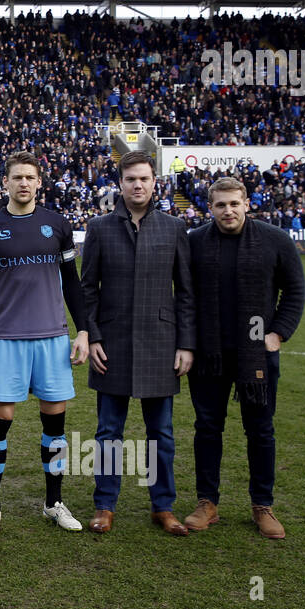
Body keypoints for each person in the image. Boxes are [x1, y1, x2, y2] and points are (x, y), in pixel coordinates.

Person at [0, 151, 87, 534]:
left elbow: (74, 283)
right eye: (17, 177)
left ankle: (54, 502)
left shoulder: (58, 225)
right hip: (6, 340)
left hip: (52, 338)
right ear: (6, 183)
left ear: (39, 183)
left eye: (30, 177)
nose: (24, 183)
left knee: (55, 424)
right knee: (1, 422)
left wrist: (83, 330)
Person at [74, 151, 195, 536]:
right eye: (130, 180)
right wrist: (93, 335)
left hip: (161, 343)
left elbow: (186, 293)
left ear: (154, 182)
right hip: (112, 345)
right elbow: (87, 289)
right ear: (120, 184)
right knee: (109, 431)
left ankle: (163, 505)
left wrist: (186, 344)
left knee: (162, 433)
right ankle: (104, 504)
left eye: (144, 179)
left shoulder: (174, 228)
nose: (137, 185)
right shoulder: (100, 228)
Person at [185, 176, 305, 539]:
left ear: (247, 203)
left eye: (234, 203)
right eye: (220, 205)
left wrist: (278, 333)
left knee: (260, 430)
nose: (228, 210)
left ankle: (262, 505)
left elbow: (295, 290)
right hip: (210, 354)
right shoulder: (194, 243)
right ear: (210, 208)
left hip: (256, 354)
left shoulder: (275, 240)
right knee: (207, 428)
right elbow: (183, 294)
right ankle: (207, 502)